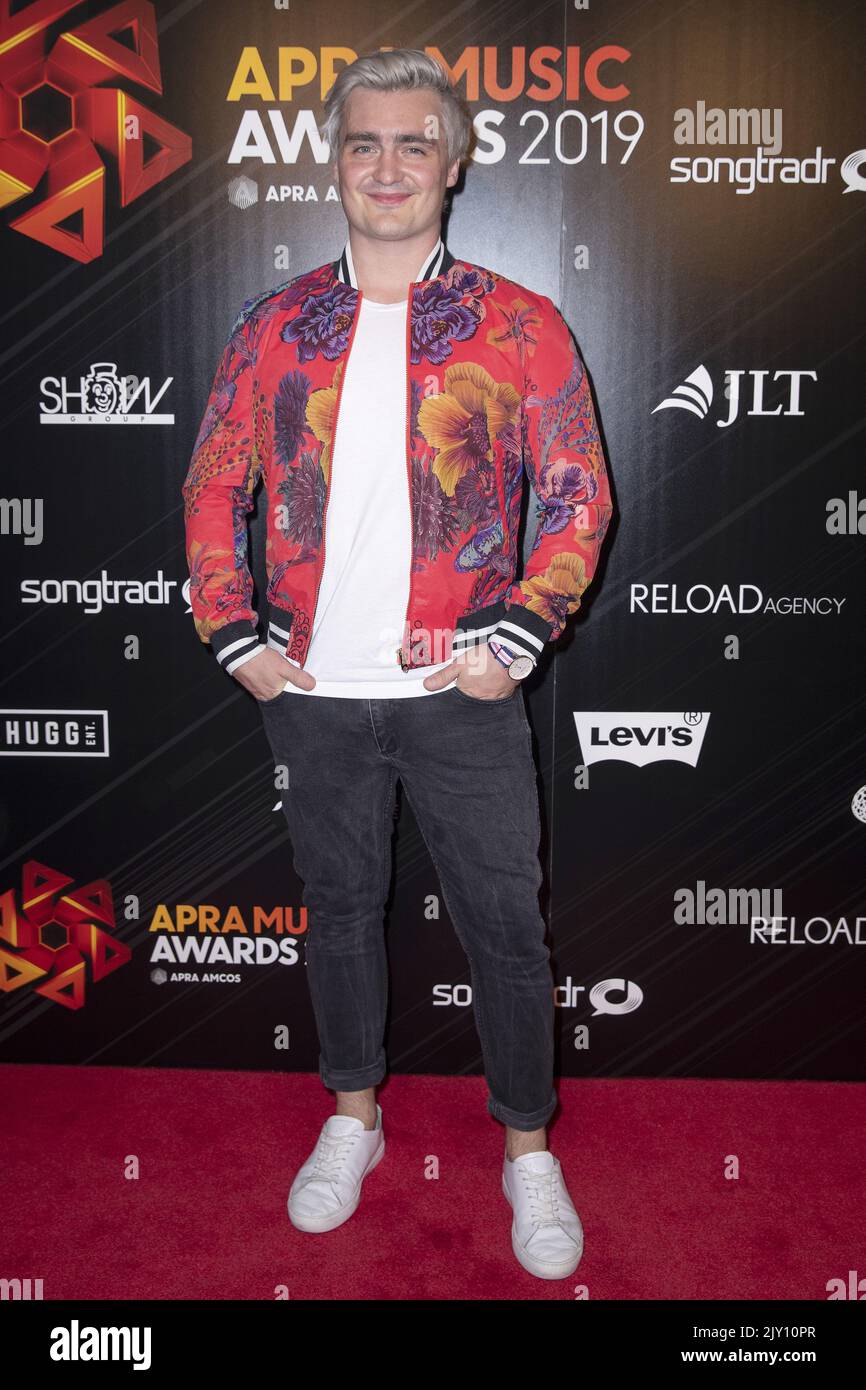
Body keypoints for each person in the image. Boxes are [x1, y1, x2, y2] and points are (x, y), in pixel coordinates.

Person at [182, 48, 613, 1281]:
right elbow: (216, 484)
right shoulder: (273, 327)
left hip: (458, 693)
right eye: (364, 142)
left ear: (452, 161)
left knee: (503, 932)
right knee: (338, 918)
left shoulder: (519, 323)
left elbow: (578, 493)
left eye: (413, 142)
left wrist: (520, 631)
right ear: (335, 159)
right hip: (314, 694)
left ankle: (528, 1146)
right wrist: (233, 631)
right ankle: (353, 1119)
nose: (387, 165)